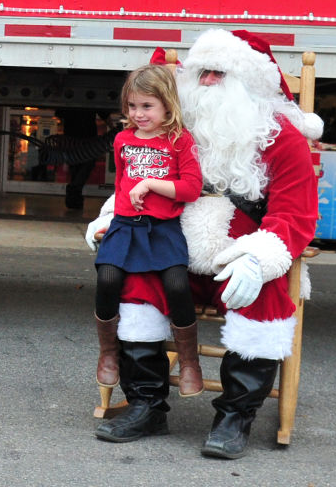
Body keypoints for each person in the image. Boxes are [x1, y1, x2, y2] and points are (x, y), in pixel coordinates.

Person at [110, 30, 320, 459]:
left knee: (262, 296)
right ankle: (147, 404)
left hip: (237, 257)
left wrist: (258, 259)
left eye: (218, 74)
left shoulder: (280, 137)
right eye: (202, 72)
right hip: (168, 250)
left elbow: (295, 213)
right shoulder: (170, 129)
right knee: (134, 287)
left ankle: (235, 416)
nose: (206, 82)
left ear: (251, 81)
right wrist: (107, 220)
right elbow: (132, 182)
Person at [85, 62, 203, 440]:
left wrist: (151, 183)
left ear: (167, 104)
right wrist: (109, 219)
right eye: (132, 106)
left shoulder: (179, 140)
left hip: (162, 229)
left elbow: (191, 188)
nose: (138, 114)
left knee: (177, 285)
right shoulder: (123, 140)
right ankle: (108, 352)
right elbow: (122, 185)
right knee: (107, 278)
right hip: (125, 226)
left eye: (147, 106)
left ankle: (189, 361)